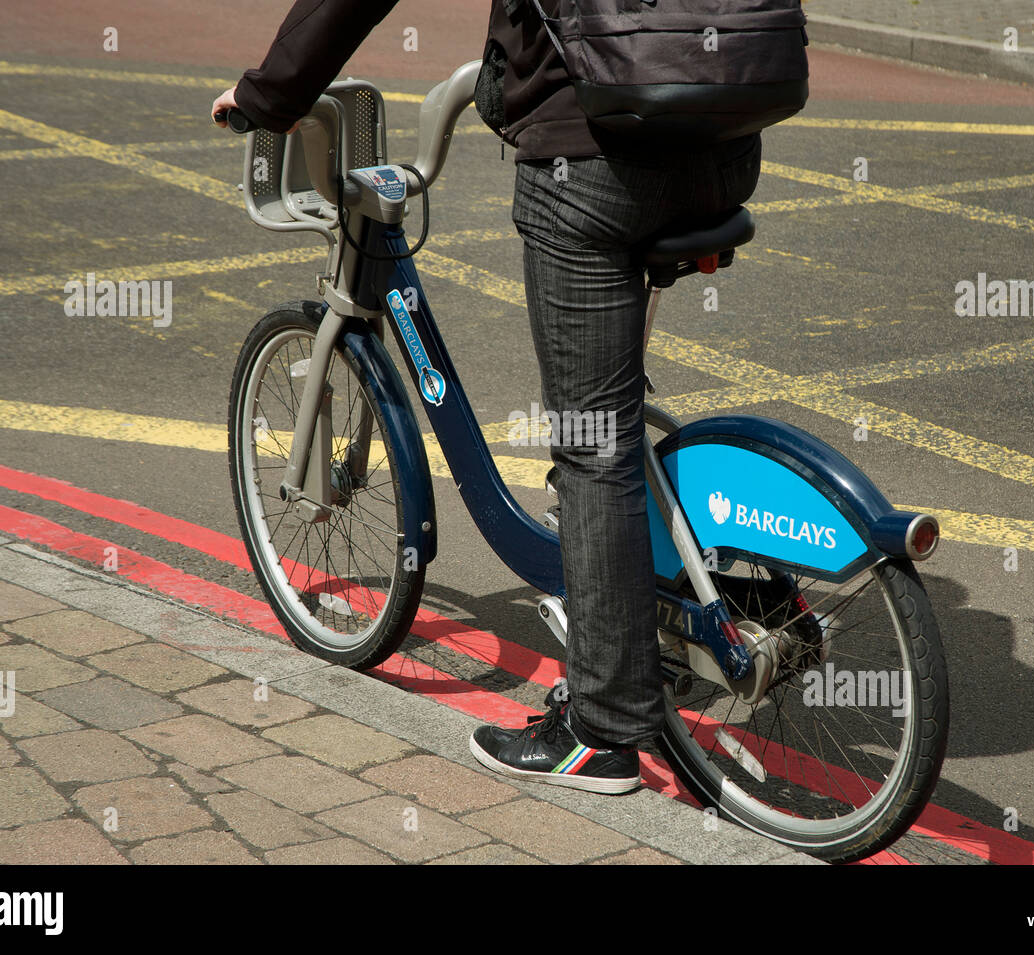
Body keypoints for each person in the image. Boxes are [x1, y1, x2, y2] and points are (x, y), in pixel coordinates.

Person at [213, 0, 762, 794]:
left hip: (597, 152)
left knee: (592, 442)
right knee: (616, 423)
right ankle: (638, 599)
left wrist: (270, 95)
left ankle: (598, 733)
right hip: (724, 131)